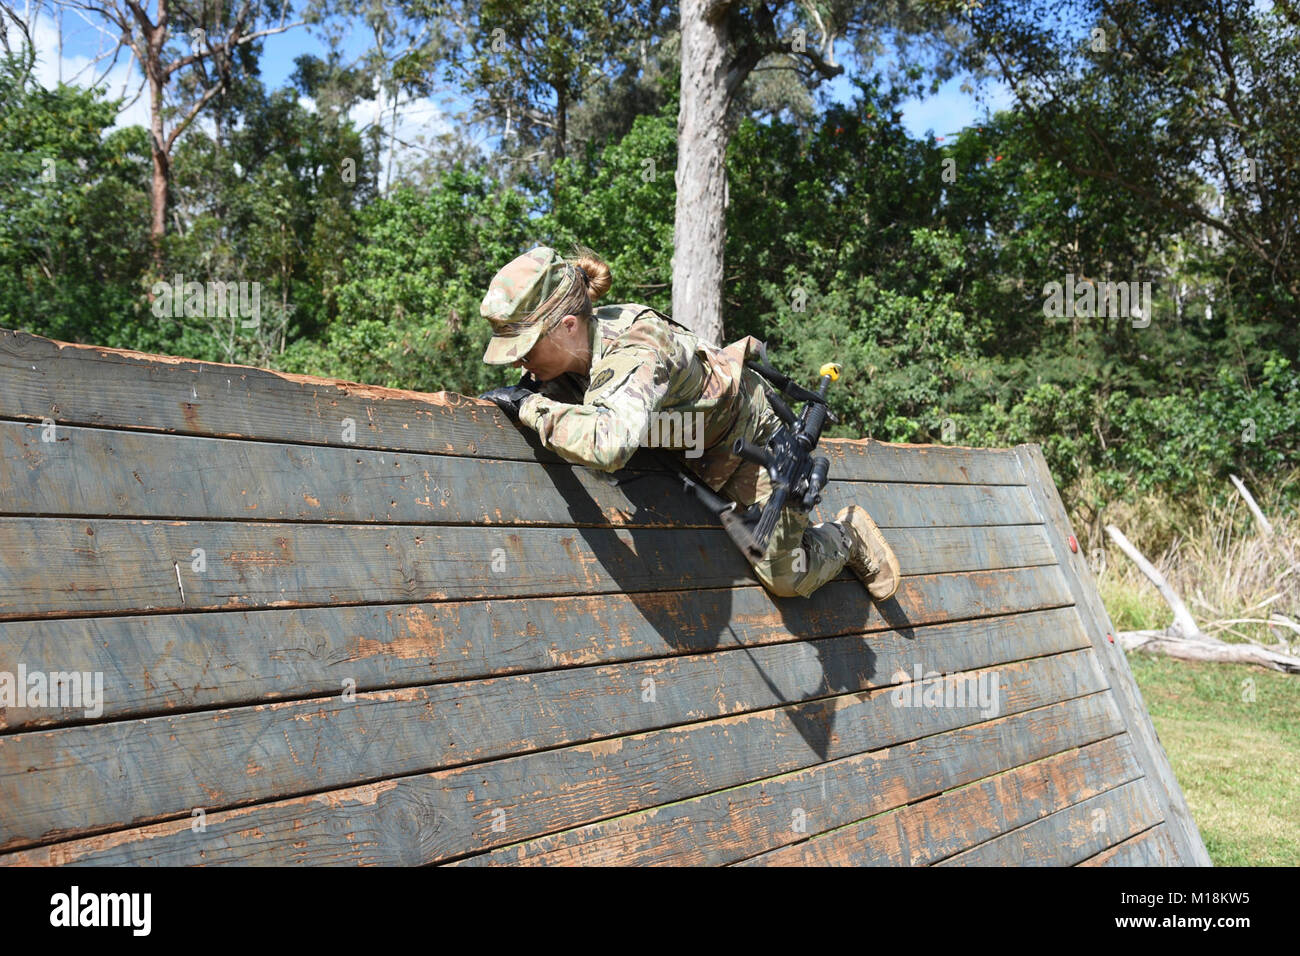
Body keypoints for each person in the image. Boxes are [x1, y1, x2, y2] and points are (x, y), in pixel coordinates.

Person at [477, 244, 900, 601]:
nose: (518, 360)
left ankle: (847, 536)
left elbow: (607, 445)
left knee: (784, 575)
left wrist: (528, 406)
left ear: (568, 326)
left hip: (748, 443)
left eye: (526, 347)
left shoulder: (635, 351)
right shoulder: (578, 348)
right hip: (687, 443)